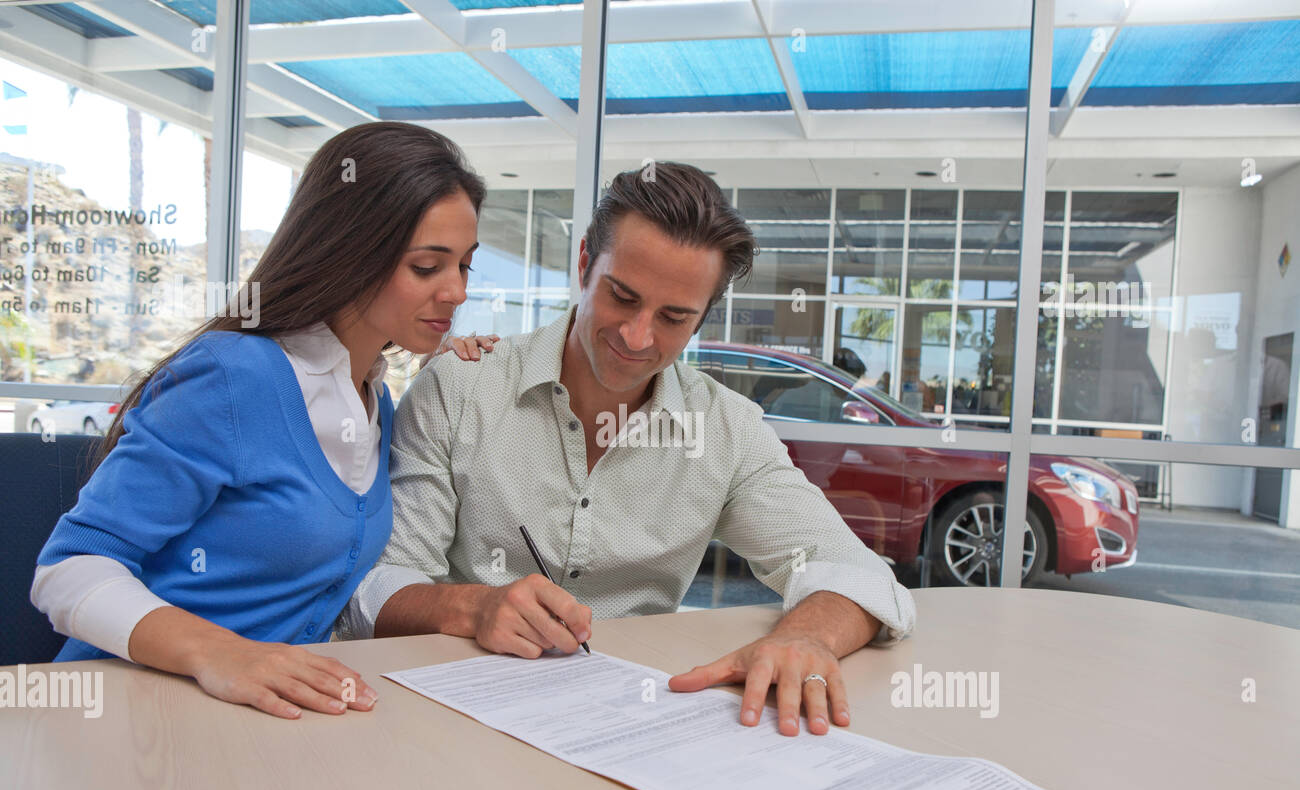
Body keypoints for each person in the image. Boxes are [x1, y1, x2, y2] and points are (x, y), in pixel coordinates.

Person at [342, 161, 916, 737]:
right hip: (459, 718)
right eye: (622, 296)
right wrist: (472, 607)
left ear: (701, 318)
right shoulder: (460, 387)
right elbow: (377, 587)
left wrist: (806, 636)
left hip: (632, 726)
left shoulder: (725, 429)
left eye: (673, 317)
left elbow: (857, 572)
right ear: (586, 263)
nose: (637, 337)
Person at [31, 121, 497, 719]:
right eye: (429, 268)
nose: (457, 292)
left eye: (465, 266)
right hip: (133, 716)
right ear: (352, 252)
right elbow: (68, 567)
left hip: (260, 725)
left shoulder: (374, 401)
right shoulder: (235, 376)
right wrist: (223, 653)